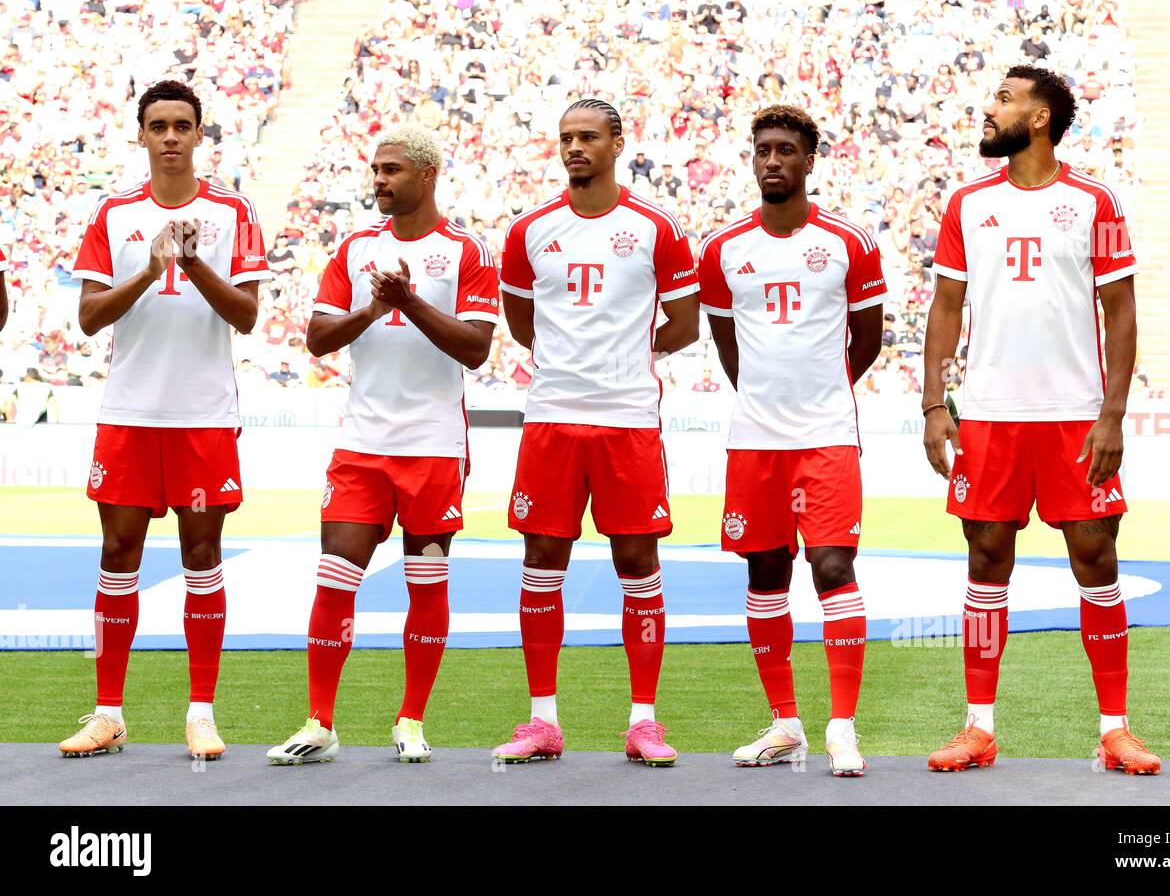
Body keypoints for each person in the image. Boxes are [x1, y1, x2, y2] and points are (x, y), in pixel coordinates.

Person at [921, 66, 1161, 776]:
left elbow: (1120, 311)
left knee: (1096, 557)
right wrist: (936, 404)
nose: (987, 109)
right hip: (991, 416)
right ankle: (979, 728)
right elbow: (945, 308)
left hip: (1074, 416)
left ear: (1039, 119)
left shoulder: (1093, 200)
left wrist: (1112, 415)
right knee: (986, 560)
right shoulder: (967, 203)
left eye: (1004, 99)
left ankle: (1115, 729)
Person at [267, 126, 498, 766]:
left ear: (426, 175)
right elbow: (316, 338)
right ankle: (319, 721)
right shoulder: (355, 248)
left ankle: (411, 718)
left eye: (391, 169)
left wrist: (410, 302)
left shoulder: (465, 251)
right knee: (334, 577)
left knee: (426, 583)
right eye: (375, 169)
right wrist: (373, 311)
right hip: (362, 445)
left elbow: (477, 349)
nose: (379, 180)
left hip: (433, 447)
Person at [62, 80, 271, 761]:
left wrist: (194, 260)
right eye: (159, 125)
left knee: (202, 558)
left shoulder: (232, 210)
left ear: (199, 135)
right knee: (117, 556)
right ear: (142, 135)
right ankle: (107, 712)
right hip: (129, 412)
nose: (172, 136)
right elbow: (90, 318)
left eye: (183, 125)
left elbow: (246, 315)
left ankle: (201, 712)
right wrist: (153, 268)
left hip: (203, 416)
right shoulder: (116, 212)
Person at [495, 99, 699, 766]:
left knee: (638, 566)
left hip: (628, 422)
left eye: (587, 137)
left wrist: (626, 356)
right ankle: (542, 721)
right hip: (551, 418)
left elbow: (686, 323)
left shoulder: (655, 227)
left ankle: (644, 721)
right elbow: (523, 325)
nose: (574, 147)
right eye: (565, 138)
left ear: (618, 142)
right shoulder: (530, 230)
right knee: (541, 566)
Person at [699, 105, 885, 777]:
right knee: (764, 572)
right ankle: (785, 724)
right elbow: (727, 345)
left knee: (833, 567)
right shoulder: (722, 249)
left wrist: (816, 394)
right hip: (755, 441)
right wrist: (768, 399)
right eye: (762, 151)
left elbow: (867, 340)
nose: (772, 161)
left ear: (810, 160)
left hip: (827, 435)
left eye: (785, 151)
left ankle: (841, 726)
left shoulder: (848, 243)